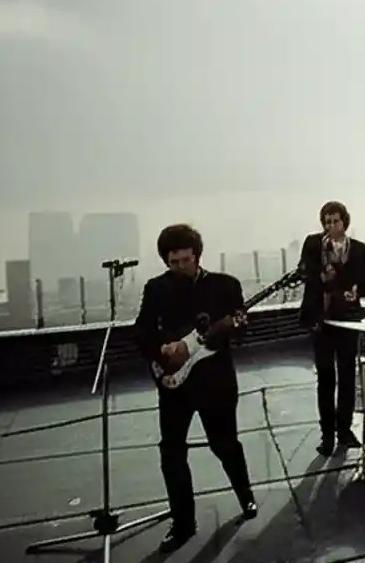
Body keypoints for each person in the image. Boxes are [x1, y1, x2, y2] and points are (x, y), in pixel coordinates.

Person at [132, 223, 257, 554]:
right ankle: (183, 523)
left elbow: (241, 332)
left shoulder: (224, 286)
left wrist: (232, 327)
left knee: (225, 444)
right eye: (173, 262)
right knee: (171, 452)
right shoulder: (156, 288)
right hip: (173, 383)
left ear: (197, 256)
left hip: (215, 381)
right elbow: (141, 332)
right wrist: (162, 349)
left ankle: (246, 496)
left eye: (185, 261)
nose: (179, 268)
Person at [299, 201, 365, 454]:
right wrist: (321, 276)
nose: (331, 226)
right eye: (327, 222)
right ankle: (327, 435)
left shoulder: (359, 249)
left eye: (335, 221)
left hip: (347, 318)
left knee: (347, 375)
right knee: (325, 377)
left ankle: (344, 430)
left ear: (345, 222)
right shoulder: (313, 244)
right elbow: (304, 273)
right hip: (321, 318)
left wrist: (355, 291)